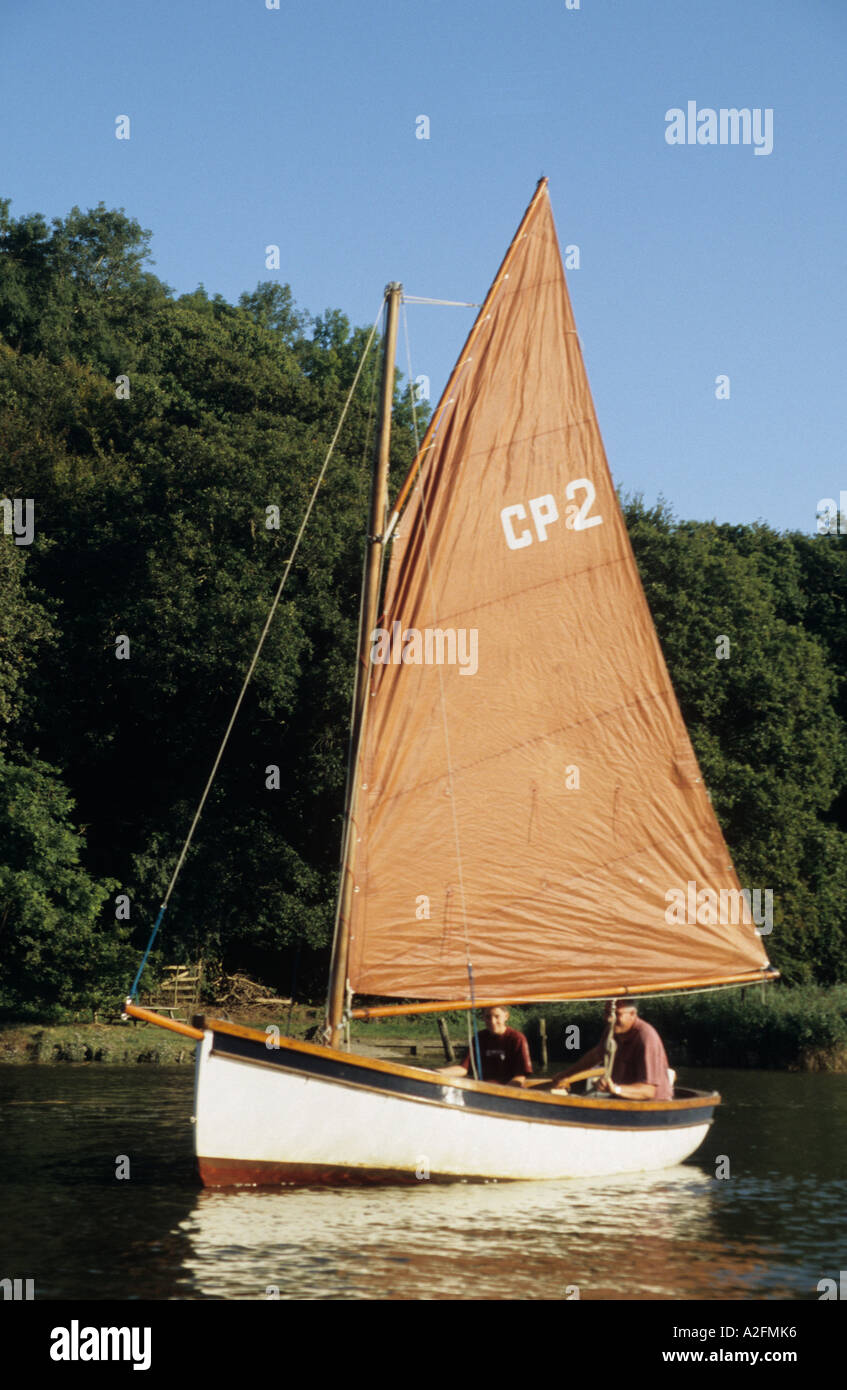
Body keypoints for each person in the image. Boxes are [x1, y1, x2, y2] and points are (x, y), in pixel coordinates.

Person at [550, 1001, 672, 1100]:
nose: (609, 1019)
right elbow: (596, 1056)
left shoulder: (646, 1037)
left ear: (633, 1014)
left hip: (651, 1109)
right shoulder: (612, 1031)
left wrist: (615, 1089)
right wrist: (565, 1075)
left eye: (616, 1014)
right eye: (606, 1013)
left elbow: (648, 1091)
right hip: (623, 1101)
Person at [437, 1005, 532, 1086]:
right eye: (488, 1017)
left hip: (507, 1092)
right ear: (483, 1017)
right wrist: (436, 1073)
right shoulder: (479, 1038)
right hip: (483, 1090)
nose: (492, 1021)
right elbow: (464, 1068)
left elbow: (520, 1076)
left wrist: (504, 1092)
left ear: (506, 1016)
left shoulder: (517, 1039)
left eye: (497, 1016)